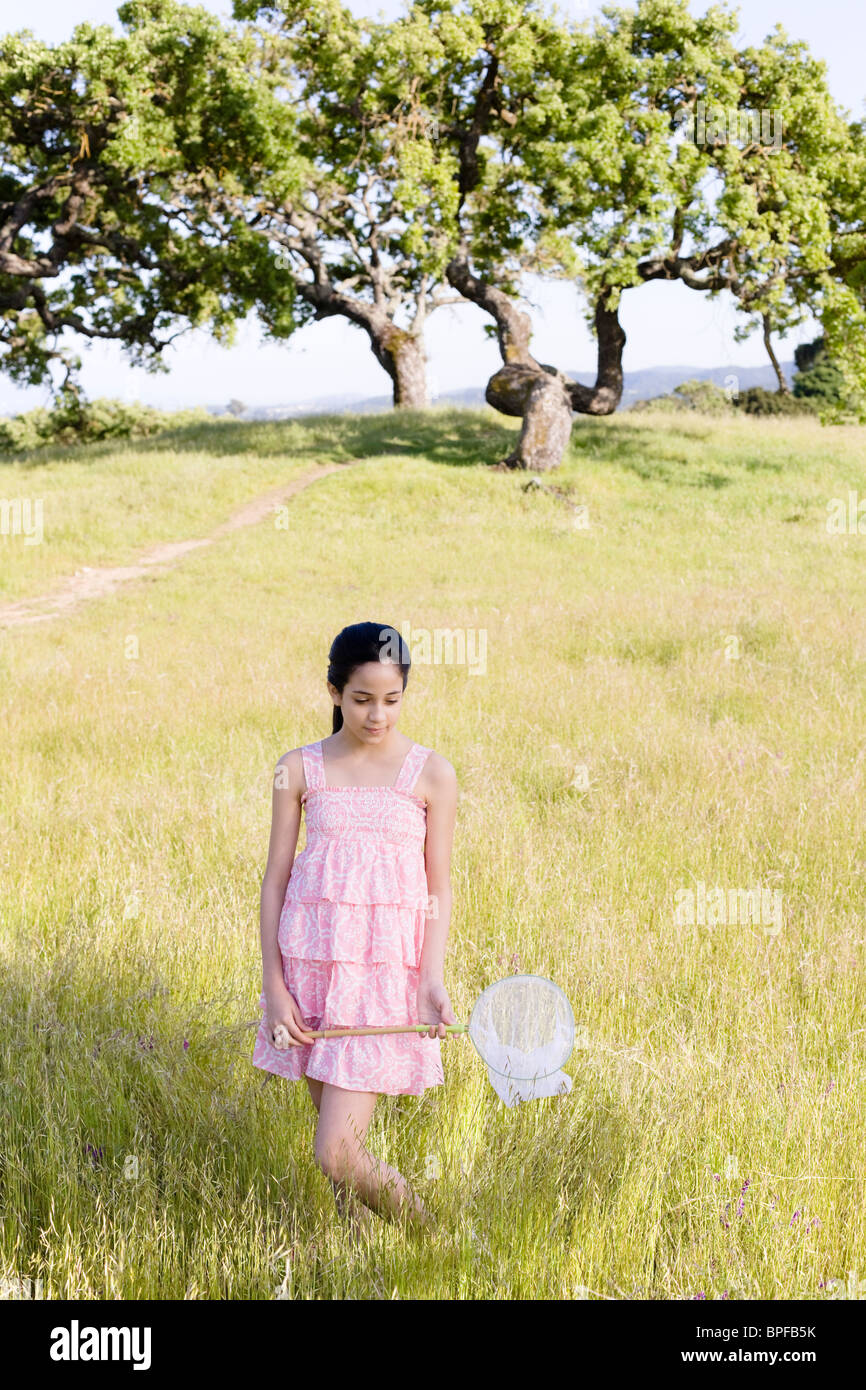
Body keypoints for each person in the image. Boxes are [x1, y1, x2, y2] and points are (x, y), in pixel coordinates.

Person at [252, 622, 458, 1236]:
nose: (377, 715)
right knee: (337, 1151)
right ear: (335, 691)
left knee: (337, 1153)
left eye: (392, 700)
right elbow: (275, 878)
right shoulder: (299, 769)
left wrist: (430, 978)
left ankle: (441, 1243)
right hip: (311, 969)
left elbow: (437, 887)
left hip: (380, 978)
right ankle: (361, 1259)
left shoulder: (431, 775)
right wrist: (274, 984)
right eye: (362, 699)